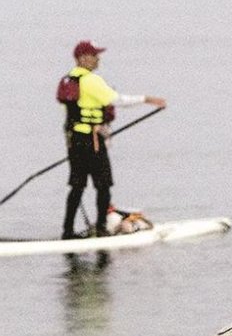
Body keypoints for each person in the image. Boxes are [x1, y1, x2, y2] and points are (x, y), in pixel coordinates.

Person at [58, 40, 165, 239]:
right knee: (103, 185)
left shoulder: (68, 80)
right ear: (83, 58)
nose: (98, 59)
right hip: (92, 142)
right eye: (95, 55)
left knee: (77, 186)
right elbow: (117, 100)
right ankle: (101, 228)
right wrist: (148, 100)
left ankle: (67, 231)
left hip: (74, 142)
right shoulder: (91, 80)